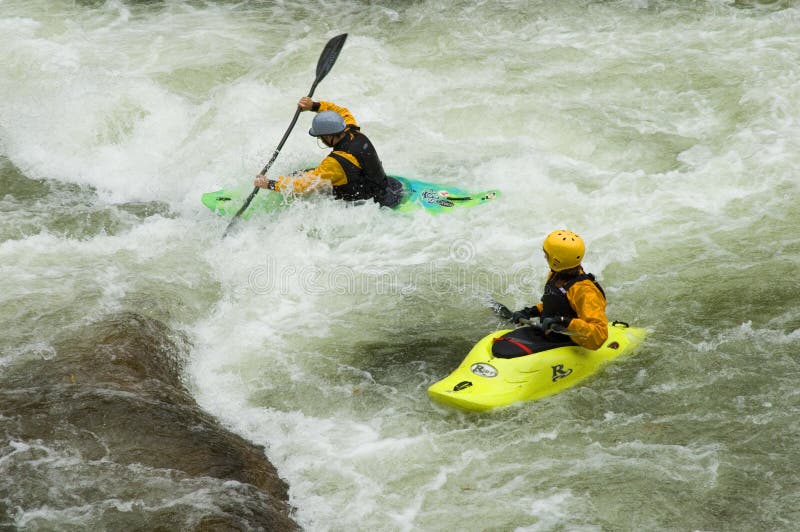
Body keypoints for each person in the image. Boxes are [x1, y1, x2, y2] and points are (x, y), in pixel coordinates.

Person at [253, 96, 403, 207]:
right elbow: (341, 111)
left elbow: (302, 186)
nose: (320, 140)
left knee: (301, 182)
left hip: (365, 202)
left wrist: (269, 184)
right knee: (302, 174)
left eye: (320, 137)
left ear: (329, 136)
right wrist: (313, 105)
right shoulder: (352, 129)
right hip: (384, 186)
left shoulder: (335, 162)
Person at [509, 229, 609, 351]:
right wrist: (530, 311)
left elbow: (599, 334)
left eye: (547, 254)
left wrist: (564, 322)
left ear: (556, 260)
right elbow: (556, 305)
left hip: (570, 341)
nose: (545, 256)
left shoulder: (585, 291)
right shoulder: (555, 275)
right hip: (551, 335)